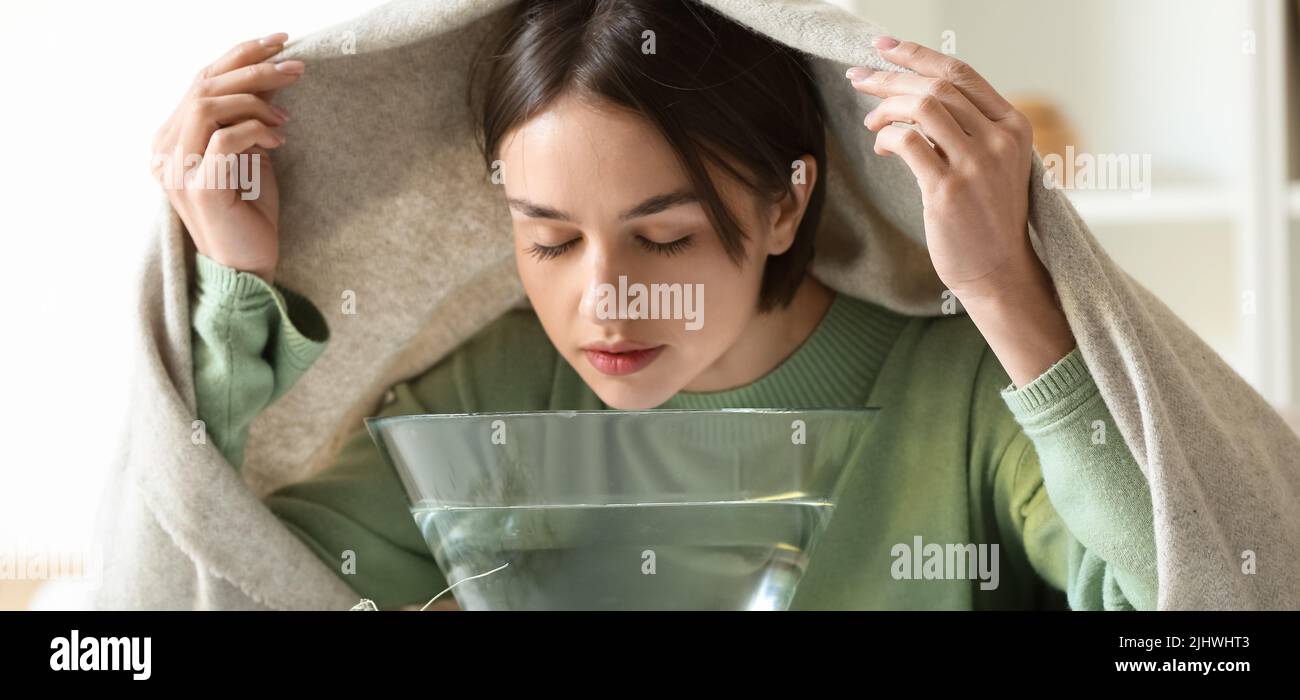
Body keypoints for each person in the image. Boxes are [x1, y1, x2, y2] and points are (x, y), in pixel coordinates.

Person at [153, 0, 1157, 610]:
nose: (604, 301)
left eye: (663, 236)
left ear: (784, 202)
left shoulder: (964, 397)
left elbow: (1199, 618)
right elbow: (199, 584)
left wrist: (999, 287)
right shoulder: (489, 394)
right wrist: (231, 298)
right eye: (547, 238)